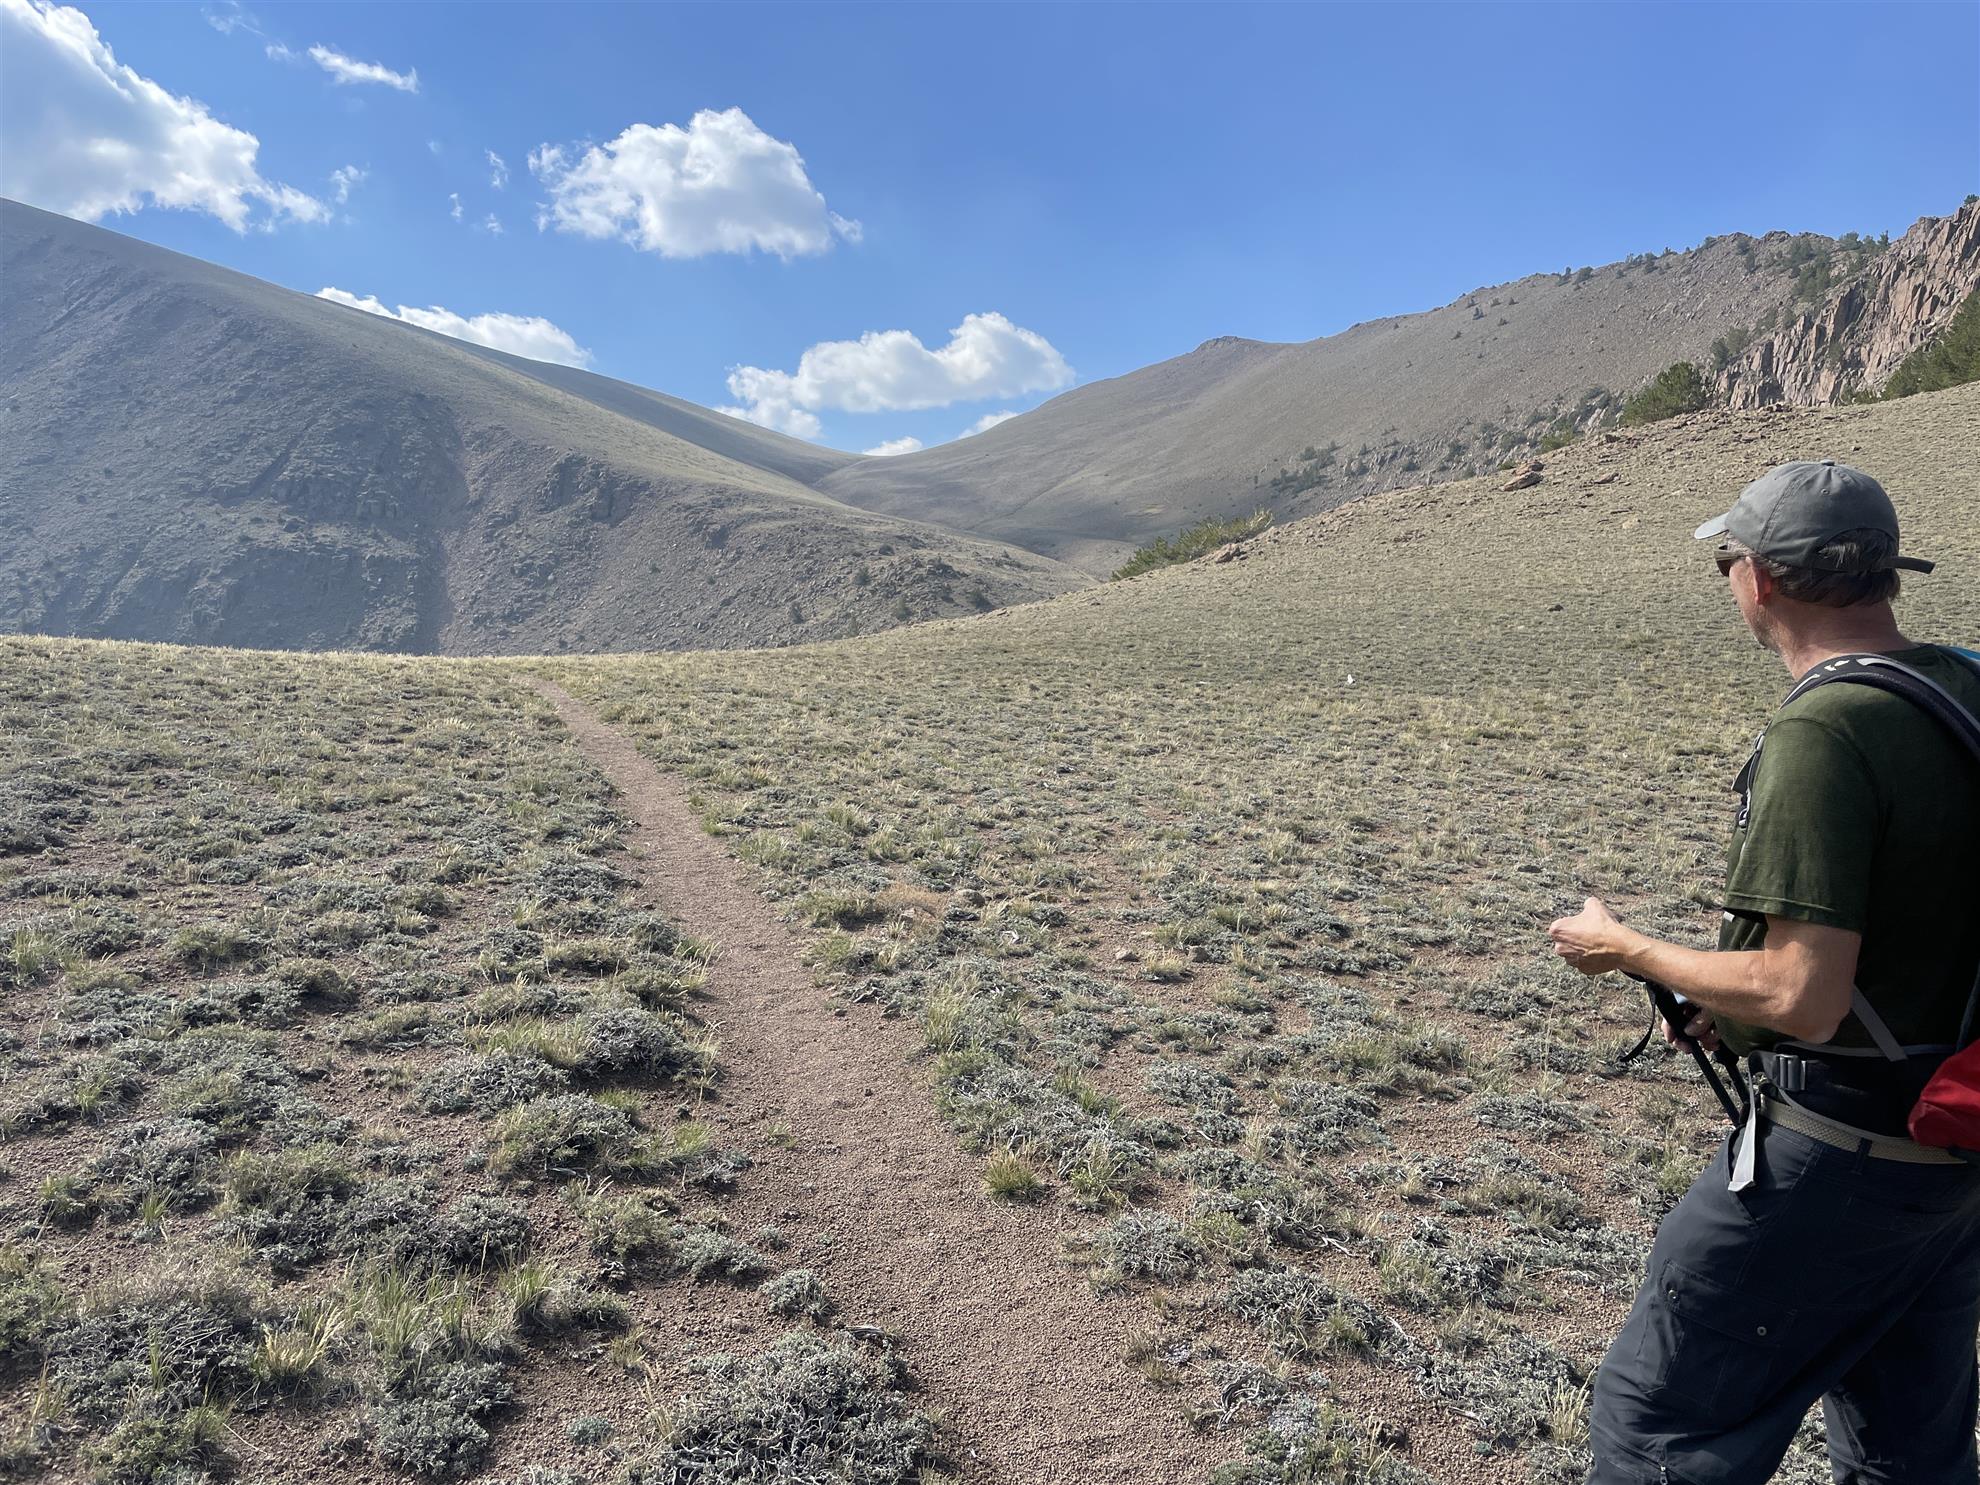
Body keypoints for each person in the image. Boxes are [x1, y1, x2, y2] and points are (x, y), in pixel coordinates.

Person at [1546, 459, 1980, 1484]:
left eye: (1727, 563)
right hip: (1952, 1148)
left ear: (1763, 580)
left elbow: (1801, 994)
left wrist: (1630, 951)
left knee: (1661, 1424)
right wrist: (1721, 999)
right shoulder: (1965, 679)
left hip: (1838, 1158)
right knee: (1909, 1456)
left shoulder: (1826, 729)